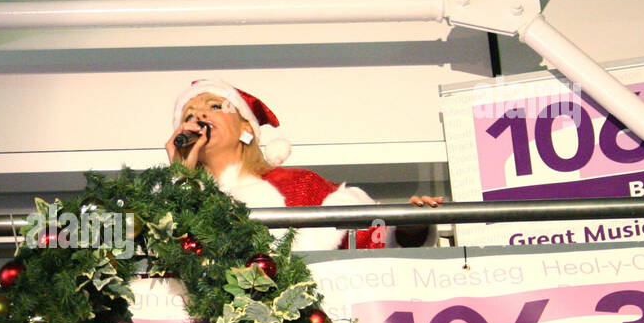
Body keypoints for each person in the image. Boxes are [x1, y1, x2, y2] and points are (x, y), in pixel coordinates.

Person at [166, 78, 442, 249]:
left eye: (215, 106)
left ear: (245, 128)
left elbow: (367, 239)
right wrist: (179, 178)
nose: (199, 114)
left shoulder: (298, 185)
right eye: (188, 114)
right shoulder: (163, 198)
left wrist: (410, 228)